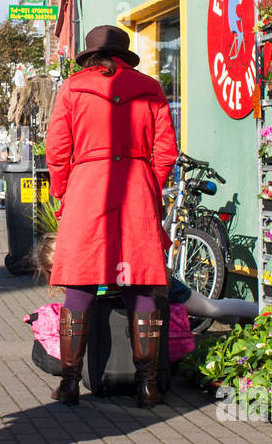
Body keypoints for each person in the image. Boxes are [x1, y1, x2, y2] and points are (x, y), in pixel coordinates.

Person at [45, 25, 177, 408]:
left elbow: (57, 149)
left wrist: (64, 190)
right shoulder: (150, 88)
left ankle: (70, 382)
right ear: (125, 55)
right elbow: (165, 150)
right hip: (136, 185)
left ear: (89, 57)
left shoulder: (72, 88)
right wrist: (148, 185)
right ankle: (148, 385)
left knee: (80, 282)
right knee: (140, 283)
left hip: (87, 187)